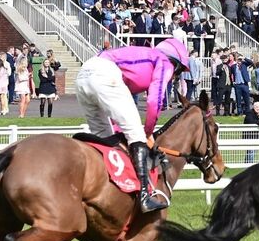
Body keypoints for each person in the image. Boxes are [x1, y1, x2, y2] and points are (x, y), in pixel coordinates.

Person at [74, 38, 189, 213]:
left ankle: (105, 192)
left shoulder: (141, 55)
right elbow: (154, 100)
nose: (175, 76)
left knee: (106, 139)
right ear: (177, 64)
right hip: (104, 73)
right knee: (136, 134)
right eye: (178, 72)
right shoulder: (165, 62)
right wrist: (147, 131)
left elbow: (116, 111)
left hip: (83, 75)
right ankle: (144, 197)